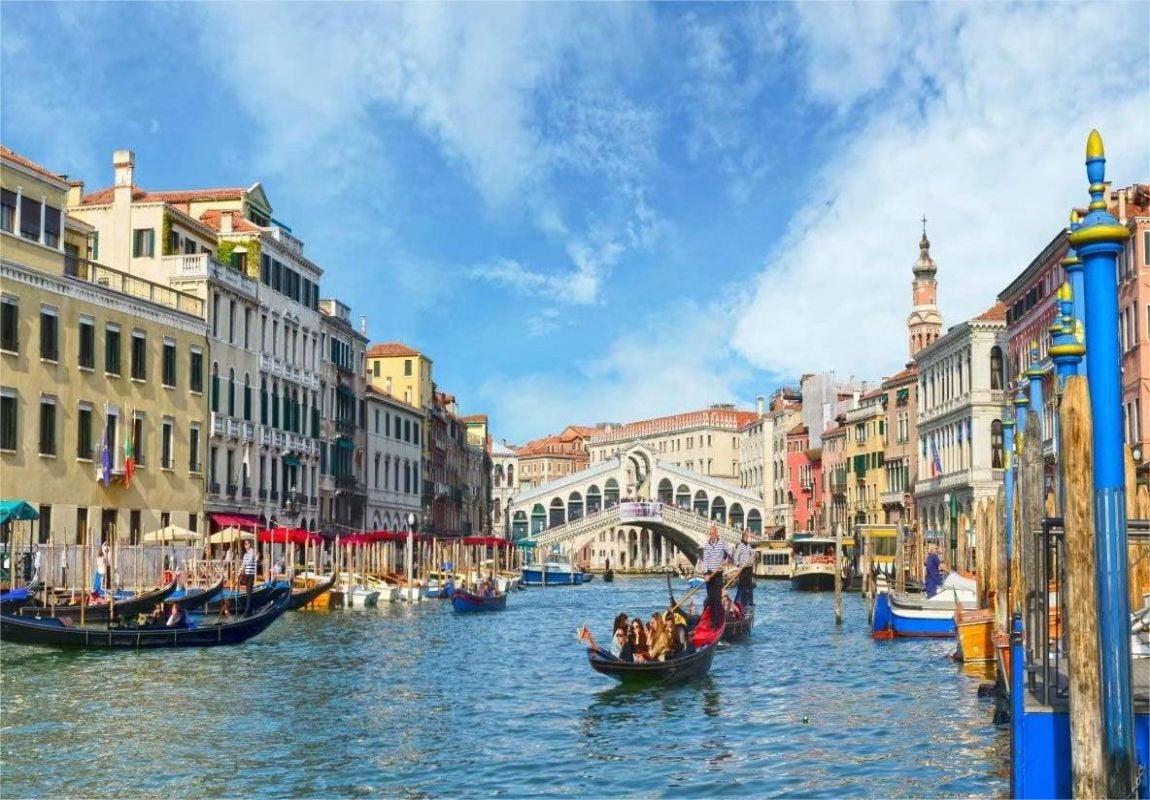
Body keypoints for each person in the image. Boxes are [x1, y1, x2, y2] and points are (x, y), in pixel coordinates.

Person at [695, 525, 731, 624]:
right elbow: (705, 561)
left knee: (717, 598)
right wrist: (706, 573)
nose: (710, 535)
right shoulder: (707, 546)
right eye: (709, 534)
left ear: (716, 533)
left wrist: (727, 558)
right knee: (710, 598)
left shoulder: (722, 543)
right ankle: (709, 619)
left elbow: (730, 551)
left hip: (718, 573)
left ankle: (717, 621)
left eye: (712, 533)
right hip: (710, 573)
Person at [733, 529, 755, 607]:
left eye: (747, 536)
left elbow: (752, 552)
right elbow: (735, 557)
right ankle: (742, 603)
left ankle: (750, 602)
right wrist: (738, 565)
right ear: (743, 537)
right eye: (746, 536)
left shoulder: (748, 545)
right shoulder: (740, 546)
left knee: (749, 586)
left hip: (749, 568)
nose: (747, 538)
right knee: (743, 586)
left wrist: (754, 555)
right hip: (743, 569)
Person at [240, 540, 258, 615]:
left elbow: (249, 561)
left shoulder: (252, 552)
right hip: (246, 575)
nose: (245, 545)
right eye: (244, 544)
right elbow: (243, 564)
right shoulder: (245, 554)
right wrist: (238, 573)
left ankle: (247, 611)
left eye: (247, 544)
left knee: (249, 593)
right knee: (248, 593)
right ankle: (250, 610)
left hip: (251, 575)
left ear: (249, 545)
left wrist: (244, 563)